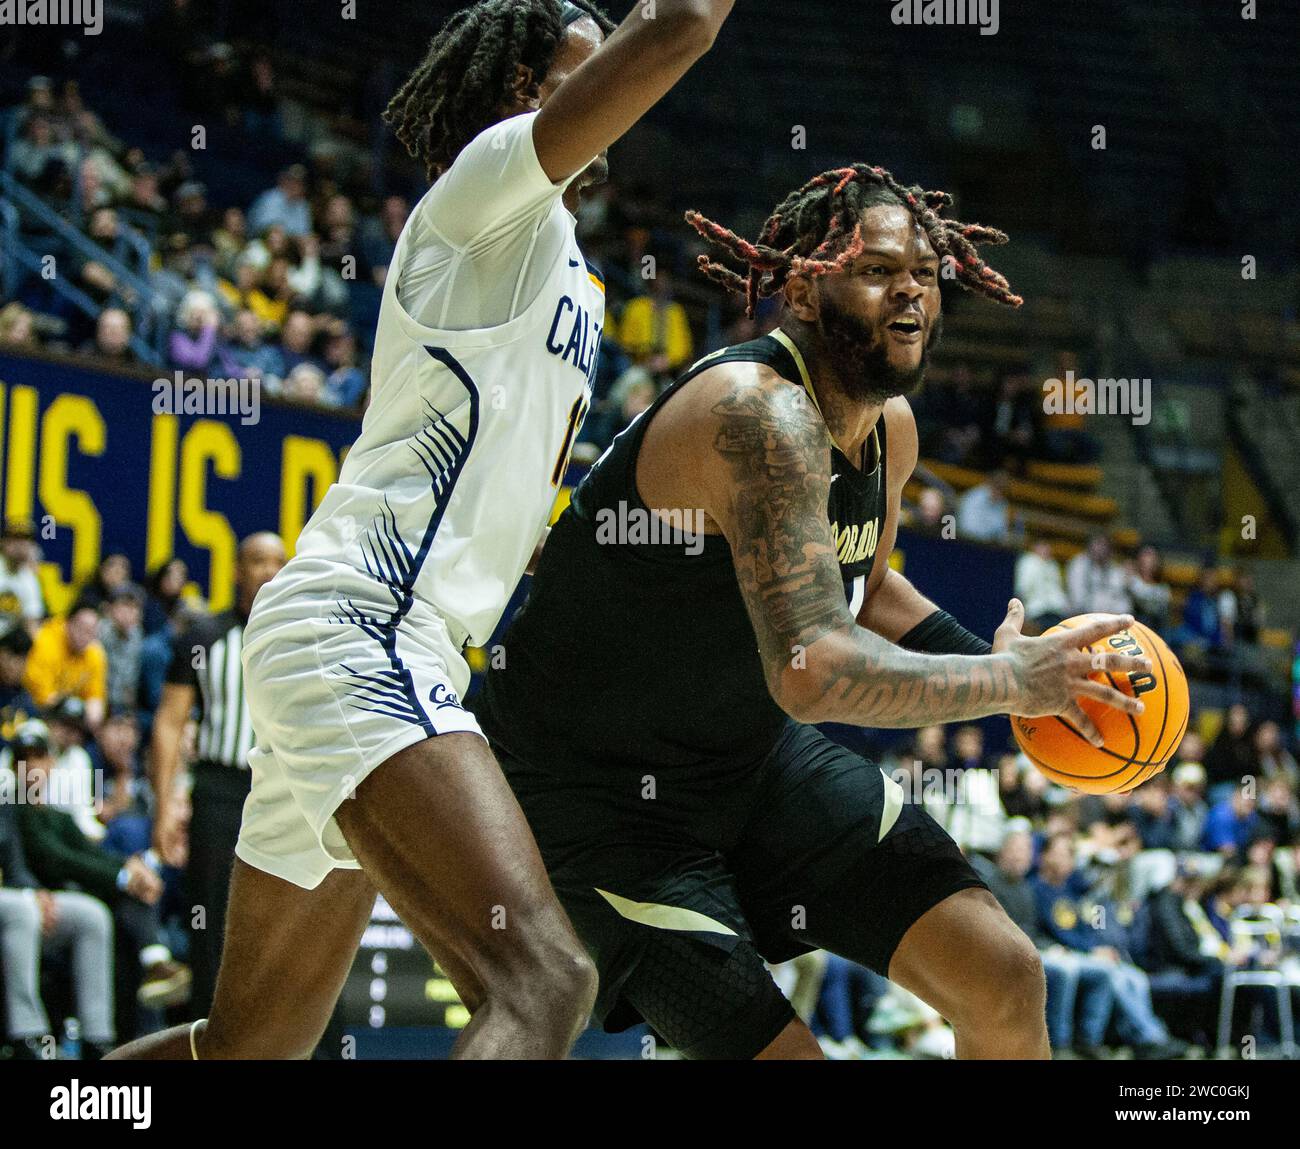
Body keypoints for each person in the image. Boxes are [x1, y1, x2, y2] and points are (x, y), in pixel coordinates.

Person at [110, 0, 738, 1062]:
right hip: (365, 627)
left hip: (377, 644)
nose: (606, 109)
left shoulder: (562, 261)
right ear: (512, 97)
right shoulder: (487, 188)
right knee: (544, 984)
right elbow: (678, 24)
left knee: (245, 1051)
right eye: (580, 78)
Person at [477, 160, 1151, 1060]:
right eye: (877, 271)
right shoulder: (757, 414)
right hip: (598, 800)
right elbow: (812, 669)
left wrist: (1032, 680)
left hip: (748, 763)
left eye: (923, 272)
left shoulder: (888, 428)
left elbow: (861, 590)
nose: (909, 292)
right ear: (803, 284)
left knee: (1003, 973)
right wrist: (1003, 681)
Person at [149, 533, 287, 1017]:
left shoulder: (303, 636)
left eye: (277, 561)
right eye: (257, 561)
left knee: (295, 922)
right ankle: (210, 1039)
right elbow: (169, 723)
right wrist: (165, 806)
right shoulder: (204, 636)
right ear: (235, 570)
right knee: (211, 920)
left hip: (286, 792)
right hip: (220, 788)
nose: (268, 570)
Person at [0, 766, 116, 1061]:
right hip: (12, 907)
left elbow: (15, 864)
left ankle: (97, 1039)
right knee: (22, 911)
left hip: (10, 896)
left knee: (91, 916)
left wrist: (34, 891)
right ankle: (27, 1035)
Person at [1032, 833, 1182, 1059]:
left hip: (1080, 951)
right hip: (1057, 951)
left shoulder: (1069, 891)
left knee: (1136, 977)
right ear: (1044, 856)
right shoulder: (1038, 889)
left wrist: (1097, 947)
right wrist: (1091, 950)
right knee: (1110, 974)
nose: (1067, 860)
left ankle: (1112, 1039)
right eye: (1062, 853)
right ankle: (1063, 1043)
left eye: (1071, 855)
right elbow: (1059, 932)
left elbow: (1083, 926)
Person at [973, 826, 1114, 1056]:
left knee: (1104, 971)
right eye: (1015, 849)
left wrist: (1053, 947)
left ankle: (1089, 1041)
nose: (1020, 856)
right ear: (1001, 852)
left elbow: (1036, 930)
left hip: (1036, 948)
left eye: (1026, 850)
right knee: (1065, 970)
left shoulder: (1025, 888)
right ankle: (1059, 1043)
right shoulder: (987, 884)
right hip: (1006, 954)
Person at [24, 606, 108, 730]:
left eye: (91, 631)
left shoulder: (95, 653)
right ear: (67, 623)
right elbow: (43, 698)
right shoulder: (45, 642)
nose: (85, 636)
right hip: (36, 711)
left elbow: (96, 699)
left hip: (72, 719)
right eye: (81, 628)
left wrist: (91, 722)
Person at [1066, 533, 1131, 617]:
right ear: (1089, 546)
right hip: (1082, 615)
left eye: (1104, 545)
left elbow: (1119, 595)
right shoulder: (1078, 564)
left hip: (1109, 615)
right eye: (1098, 544)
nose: (1101, 549)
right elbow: (1077, 597)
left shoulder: (1114, 568)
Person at [0, 522, 45, 637]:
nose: (21, 546)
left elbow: (32, 624)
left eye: (26, 541)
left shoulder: (29, 579)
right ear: (4, 542)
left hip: (9, 647)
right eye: (16, 539)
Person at [1014, 539, 1068, 634]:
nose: (1046, 549)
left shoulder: (1053, 564)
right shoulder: (1028, 562)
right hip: (1036, 611)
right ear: (1035, 547)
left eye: (1048, 546)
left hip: (1056, 611)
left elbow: (1058, 590)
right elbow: (1023, 590)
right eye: (1043, 546)